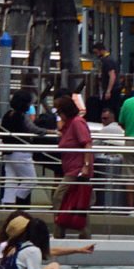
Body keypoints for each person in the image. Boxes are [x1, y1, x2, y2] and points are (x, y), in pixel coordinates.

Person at [53, 96, 93, 236]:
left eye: (59, 112)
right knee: (77, 201)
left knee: (60, 196)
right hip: (71, 169)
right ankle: (83, 232)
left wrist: (86, 165)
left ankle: (60, 230)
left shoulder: (77, 122)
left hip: (77, 170)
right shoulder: (69, 124)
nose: (58, 115)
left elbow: (86, 143)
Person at [0, 91, 39, 207]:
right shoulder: (22, 116)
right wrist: (49, 132)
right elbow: (33, 129)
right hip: (21, 152)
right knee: (31, 180)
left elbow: (1, 131)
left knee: (10, 181)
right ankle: (19, 201)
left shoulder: (8, 114)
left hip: (8, 152)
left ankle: (8, 204)